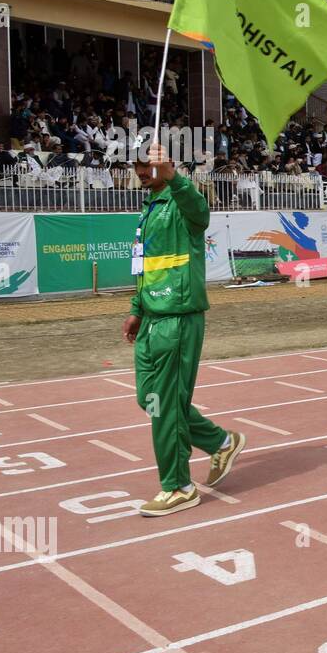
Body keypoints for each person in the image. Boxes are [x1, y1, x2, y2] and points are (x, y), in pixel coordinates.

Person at [124, 145, 245, 518]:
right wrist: (135, 309)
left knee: (165, 405)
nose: (142, 171)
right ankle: (221, 442)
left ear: (164, 165)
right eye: (138, 165)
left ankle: (178, 486)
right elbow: (145, 268)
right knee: (152, 400)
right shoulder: (148, 210)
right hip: (152, 318)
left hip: (177, 318)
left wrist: (175, 177)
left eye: (149, 165)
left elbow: (200, 212)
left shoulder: (180, 202)